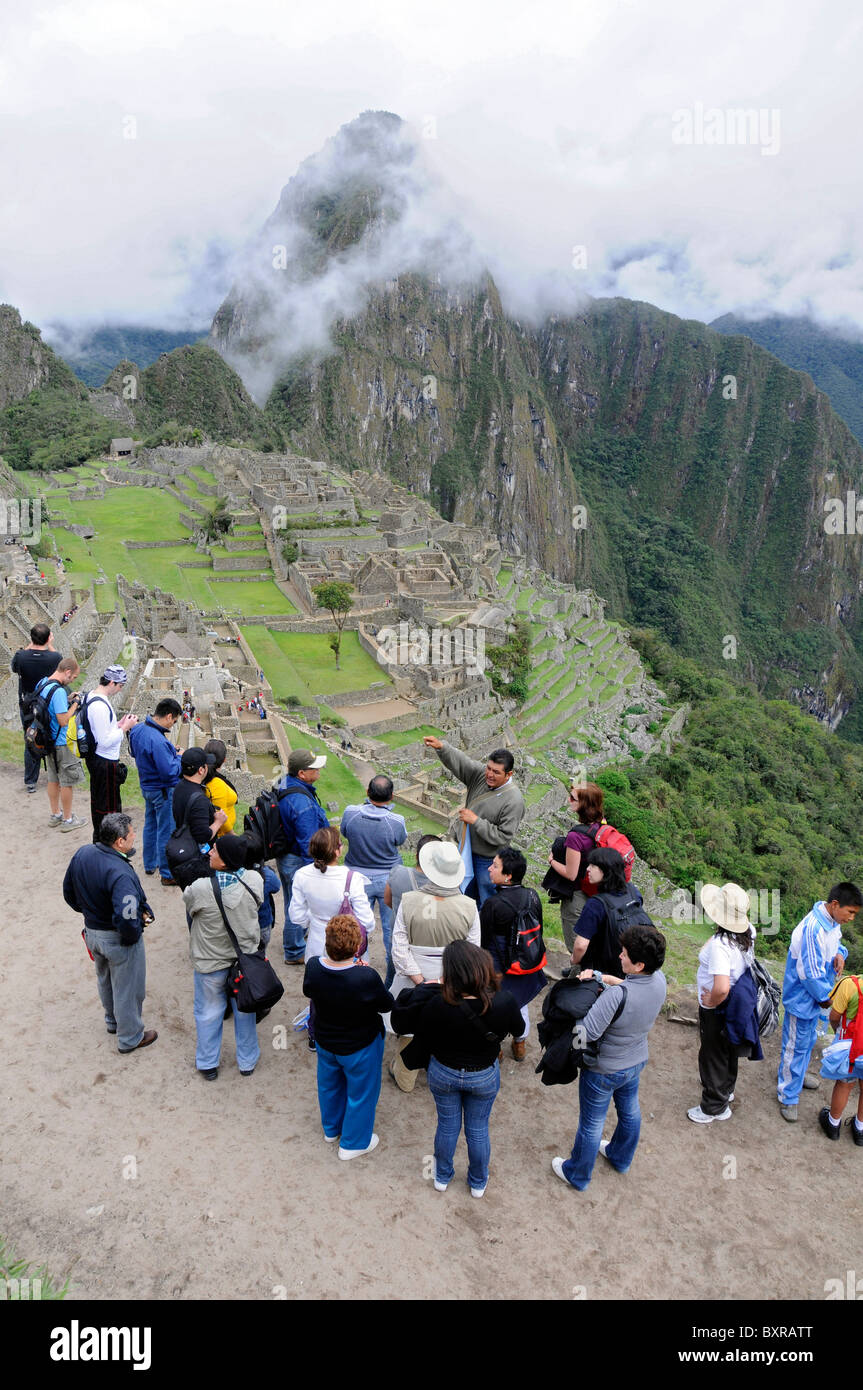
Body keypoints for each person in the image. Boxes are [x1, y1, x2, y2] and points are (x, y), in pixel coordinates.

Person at [391, 940, 525, 1197]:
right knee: (478, 1129)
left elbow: (407, 1024)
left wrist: (426, 989)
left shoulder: (437, 1004)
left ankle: (441, 1176)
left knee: (447, 1126)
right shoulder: (505, 1001)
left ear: (451, 973)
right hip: (484, 1074)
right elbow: (519, 1031)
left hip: (444, 1073)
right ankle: (477, 1182)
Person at [551, 924, 667, 1192]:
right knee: (630, 1111)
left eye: (624, 954)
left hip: (604, 1069)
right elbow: (628, 986)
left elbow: (587, 1033)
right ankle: (620, 1157)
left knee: (591, 1124)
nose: (619, 956)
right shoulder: (658, 980)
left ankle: (577, 1175)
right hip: (635, 1061)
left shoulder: (617, 997)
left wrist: (579, 1005)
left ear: (638, 964)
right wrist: (602, 977)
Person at [388, 839, 482, 1092]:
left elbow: (398, 947)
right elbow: (473, 953)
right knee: (444, 1027)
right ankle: (438, 1073)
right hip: (451, 980)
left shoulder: (409, 900)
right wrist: (445, 981)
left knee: (408, 1030)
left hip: (413, 976)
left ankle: (405, 1077)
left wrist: (420, 979)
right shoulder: (470, 907)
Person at [62, 812, 157, 1052]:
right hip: (117, 938)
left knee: (105, 979)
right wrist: (134, 935)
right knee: (128, 988)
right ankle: (130, 1038)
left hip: (93, 932)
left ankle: (112, 1021)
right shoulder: (120, 872)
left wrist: (89, 914)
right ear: (120, 842)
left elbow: (68, 892)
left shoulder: (83, 853)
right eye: (132, 832)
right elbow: (126, 917)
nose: (135, 835)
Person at [303, 914, 394, 1160]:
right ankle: (353, 1144)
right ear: (356, 947)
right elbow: (386, 1005)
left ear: (327, 942)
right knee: (361, 1093)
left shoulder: (313, 966)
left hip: (325, 1040)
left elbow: (308, 990)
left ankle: (331, 1129)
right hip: (359, 1045)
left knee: (329, 1084)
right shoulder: (366, 976)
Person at [777, 882, 861, 1121]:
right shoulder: (813, 928)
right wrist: (828, 999)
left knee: (808, 1040)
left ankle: (797, 1076)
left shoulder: (832, 923)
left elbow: (837, 945)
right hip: (805, 999)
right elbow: (810, 973)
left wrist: (840, 955)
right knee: (795, 1045)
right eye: (850, 912)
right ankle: (787, 1096)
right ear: (835, 905)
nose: (852, 918)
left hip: (819, 998)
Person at [183, 833, 264, 1080]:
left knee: (208, 1012)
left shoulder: (200, 888)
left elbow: (189, 905)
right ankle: (247, 1061)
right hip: (245, 963)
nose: (210, 853)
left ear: (226, 860)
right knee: (245, 1011)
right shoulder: (254, 880)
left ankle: (208, 1063)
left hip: (210, 961)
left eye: (215, 851)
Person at [422, 737, 524, 907]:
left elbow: (503, 836)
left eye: (496, 772)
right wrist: (442, 747)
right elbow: (463, 762)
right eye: (488, 768)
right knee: (463, 895)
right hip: (465, 850)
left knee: (486, 899)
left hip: (488, 860)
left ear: (509, 774)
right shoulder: (480, 776)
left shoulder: (514, 800)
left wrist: (476, 821)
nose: (490, 775)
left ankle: (484, 929)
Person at [686, 883, 757, 1124]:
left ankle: (713, 1107)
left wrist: (711, 1001)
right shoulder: (747, 932)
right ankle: (726, 1090)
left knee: (712, 1054)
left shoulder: (720, 946)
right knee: (728, 1051)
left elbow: (722, 986)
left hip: (718, 1008)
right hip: (736, 1006)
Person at [341, 775, 407, 989]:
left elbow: (345, 833)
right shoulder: (395, 821)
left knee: (358, 929)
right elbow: (401, 841)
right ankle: (390, 982)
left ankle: (361, 976)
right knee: (391, 930)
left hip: (357, 877)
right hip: (388, 877)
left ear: (368, 793)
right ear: (392, 797)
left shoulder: (350, 813)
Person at [481, 847, 547, 1062]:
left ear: (508, 876)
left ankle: (496, 1048)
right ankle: (520, 1043)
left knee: (494, 1005)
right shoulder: (532, 896)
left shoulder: (493, 904)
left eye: (495, 866)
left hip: (500, 967)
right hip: (527, 962)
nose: (490, 869)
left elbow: (483, 941)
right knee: (521, 1001)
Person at [289, 827, 375, 965]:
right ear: (337, 851)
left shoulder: (301, 875)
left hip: (315, 944)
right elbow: (367, 921)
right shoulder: (352, 879)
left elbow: (296, 916)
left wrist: (315, 921)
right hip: (347, 947)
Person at [275, 749, 330, 965]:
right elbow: (309, 842)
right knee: (296, 905)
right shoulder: (302, 804)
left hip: (286, 854)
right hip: (297, 859)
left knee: (293, 901)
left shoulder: (285, 782)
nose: (319, 770)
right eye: (314, 768)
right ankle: (294, 950)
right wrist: (315, 870)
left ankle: (297, 938)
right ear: (301, 773)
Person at [566, 848, 650, 976]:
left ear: (606, 870)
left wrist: (574, 960)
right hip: (629, 965)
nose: (588, 869)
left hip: (600, 970)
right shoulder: (633, 890)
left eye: (593, 865)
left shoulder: (596, 904)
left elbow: (580, 945)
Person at [127, 697, 182, 883]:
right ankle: (167, 874)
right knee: (166, 830)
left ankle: (150, 864)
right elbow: (169, 773)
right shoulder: (158, 740)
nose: (173, 725)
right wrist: (179, 758)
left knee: (150, 825)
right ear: (168, 716)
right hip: (162, 790)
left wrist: (168, 753)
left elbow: (134, 753)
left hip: (146, 786)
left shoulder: (137, 730)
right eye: (174, 721)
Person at [546, 782, 605, 952]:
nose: (568, 799)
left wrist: (552, 861)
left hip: (577, 895)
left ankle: (577, 975)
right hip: (595, 891)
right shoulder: (600, 826)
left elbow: (570, 874)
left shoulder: (576, 836)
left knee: (576, 943)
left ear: (583, 804)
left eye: (573, 798)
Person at [85, 665, 137, 842]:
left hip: (101, 761)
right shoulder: (99, 706)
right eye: (120, 685)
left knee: (104, 804)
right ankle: (108, 844)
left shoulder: (94, 697)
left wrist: (117, 725)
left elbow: (102, 731)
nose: (120, 689)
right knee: (108, 808)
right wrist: (124, 728)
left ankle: (106, 841)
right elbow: (104, 741)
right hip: (105, 763)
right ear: (112, 682)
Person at [37, 657, 86, 833]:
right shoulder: (57, 692)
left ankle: (55, 814)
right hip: (61, 742)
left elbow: (48, 706)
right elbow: (63, 720)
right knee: (66, 782)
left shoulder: (43, 683)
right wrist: (75, 704)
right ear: (67, 672)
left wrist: (67, 698)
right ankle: (68, 819)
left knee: (53, 779)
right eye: (72, 678)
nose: (72, 681)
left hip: (47, 741)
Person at [11, 621, 60, 792]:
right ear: (48, 638)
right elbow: (61, 666)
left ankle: (31, 781)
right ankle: (56, 777)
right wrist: (50, 645)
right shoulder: (54, 657)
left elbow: (15, 666)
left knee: (31, 738)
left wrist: (31, 644)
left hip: (28, 704)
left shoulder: (21, 656)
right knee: (52, 736)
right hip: (48, 702)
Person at [171, 748, 228, 888]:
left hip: (185, 847)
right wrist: (218, 822)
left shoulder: (179, 787)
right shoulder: (199, 799)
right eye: (206, 765)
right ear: (201, 770)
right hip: (198, 857)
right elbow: (203, 835)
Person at [818, 973, 863, 1144]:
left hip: (850, 1046)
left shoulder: (851, 984)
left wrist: (839, 1032)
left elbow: (834, 1017)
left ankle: (833, 1124)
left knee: (845, 1083)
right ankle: (860, 1130)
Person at [202, 739, 239, 836]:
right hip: (221, 835)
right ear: (224, 760)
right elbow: (220, 814)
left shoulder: (205, 776)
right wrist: (232, 834)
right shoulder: (216, 783)